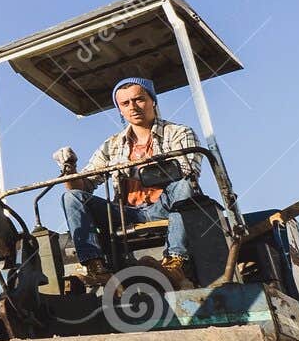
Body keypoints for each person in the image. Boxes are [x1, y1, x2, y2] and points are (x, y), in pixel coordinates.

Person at [54, 77, 200, 289]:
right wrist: (69, 170)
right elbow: (83, 186)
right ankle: (96, 266)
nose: (133, 107)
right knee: (71, 197)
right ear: (120, 110)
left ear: (153, 101)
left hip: (167, 206)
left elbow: (188, 171)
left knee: (184, 185)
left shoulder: (179, 133)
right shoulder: (111, 145)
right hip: (125, 212)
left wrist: (135, 170)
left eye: (138, 99)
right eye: (125, 103)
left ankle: (174, 263)